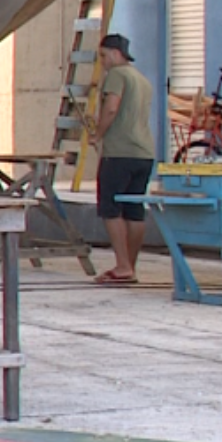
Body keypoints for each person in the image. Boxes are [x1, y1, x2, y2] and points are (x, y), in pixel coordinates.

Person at [91, 32, 154, 284]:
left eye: (104, 56)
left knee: (111, 208)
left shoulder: (116, 75)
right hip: (144, 153)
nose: (103, 62)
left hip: (119, 152)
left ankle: (122, 265)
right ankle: (130, 265)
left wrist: (98, 134)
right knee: (134, 210)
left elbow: (112, 107)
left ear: (116, 54)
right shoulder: (143, 80)